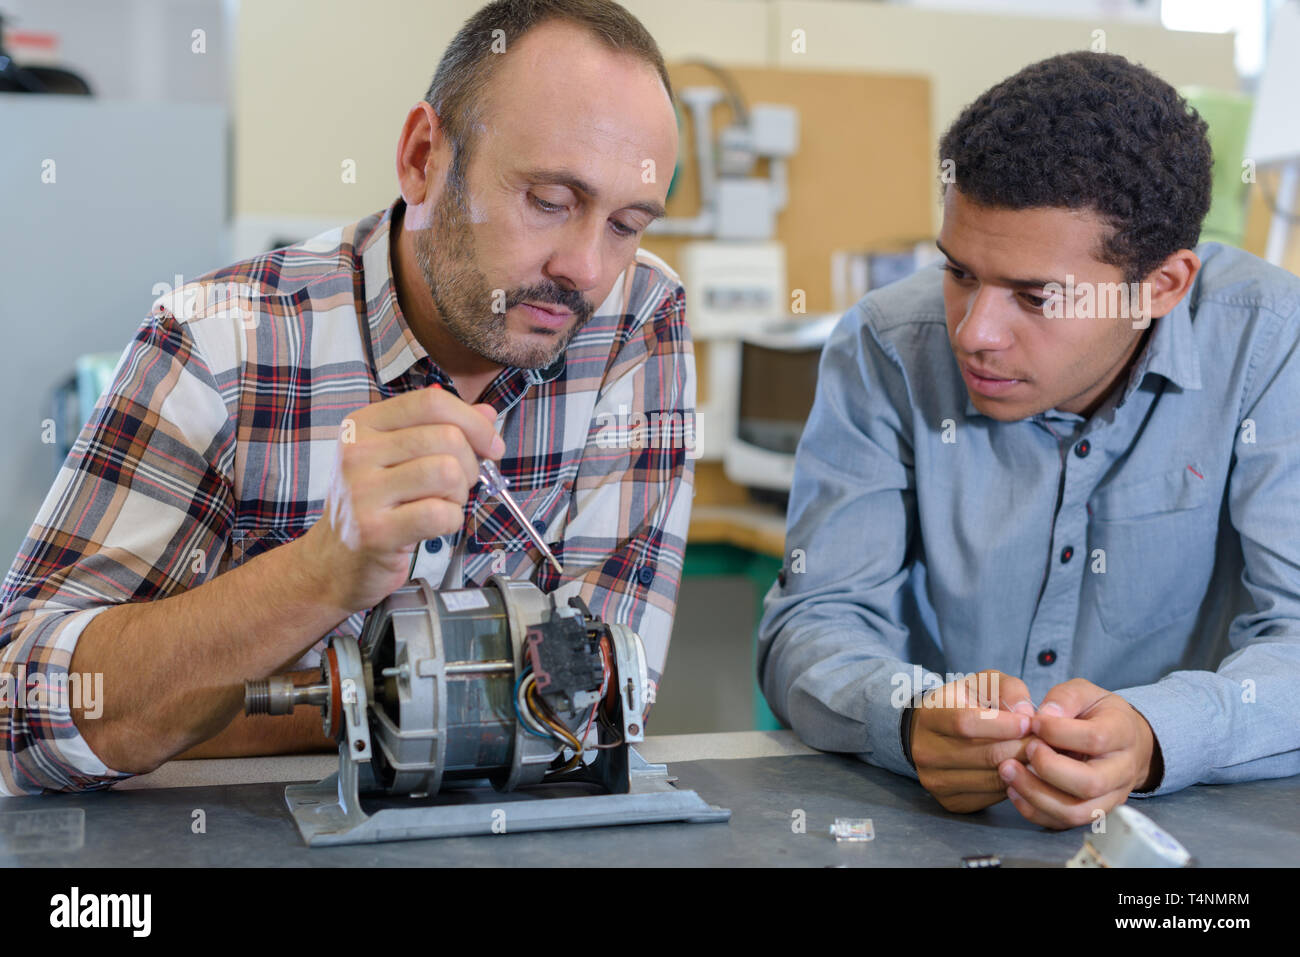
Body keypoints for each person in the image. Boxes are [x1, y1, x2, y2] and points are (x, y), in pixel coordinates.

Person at [0, 0, 691, 795]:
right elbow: (26, 707)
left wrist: (243, 696)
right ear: (424, 156)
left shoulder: (638, 318)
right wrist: (321, 576)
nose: (588, 269)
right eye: (549, 200)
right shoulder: (216, 344)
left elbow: (602, 693)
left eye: (627, 223)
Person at [759, 51, 1300, 830]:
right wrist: (909, 718)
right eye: (960, 273)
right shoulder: (885, 346)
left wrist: (1155, 735)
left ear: (1162, 287)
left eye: (1036, 295)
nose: (974, 332)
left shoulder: (1269, 342)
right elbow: (813, 622)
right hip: (935, 831)